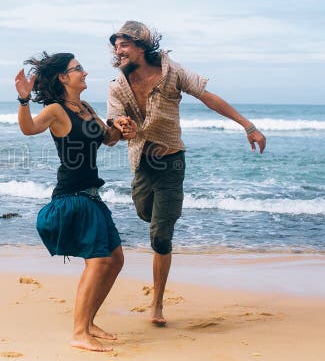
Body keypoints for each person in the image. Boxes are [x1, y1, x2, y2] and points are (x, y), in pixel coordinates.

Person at [105, 21, 266, 326]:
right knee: (145, 214)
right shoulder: (116, 86)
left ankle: (157, 304)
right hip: (141, 164)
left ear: (141, 45)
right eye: (115, 45)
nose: (118, 49)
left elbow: (208, 96)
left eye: (124, 43)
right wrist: (120, 127)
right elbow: (113, 125)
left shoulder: (171, 71)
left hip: (171, 163)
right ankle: (160, 227)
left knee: (161, 236)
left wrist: (249, 125)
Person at [14, 52, 133, 352]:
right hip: (72, 197)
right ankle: (79, 332)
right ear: (63, 78)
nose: (85, 72)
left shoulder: (86, 108)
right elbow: (28, 129)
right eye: (78, 69)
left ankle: (89, 322)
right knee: (97, 262)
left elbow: (107, 139)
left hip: (92, 195)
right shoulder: (57, 110)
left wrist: (121, 126)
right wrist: (24, 100)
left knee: (115, 260)